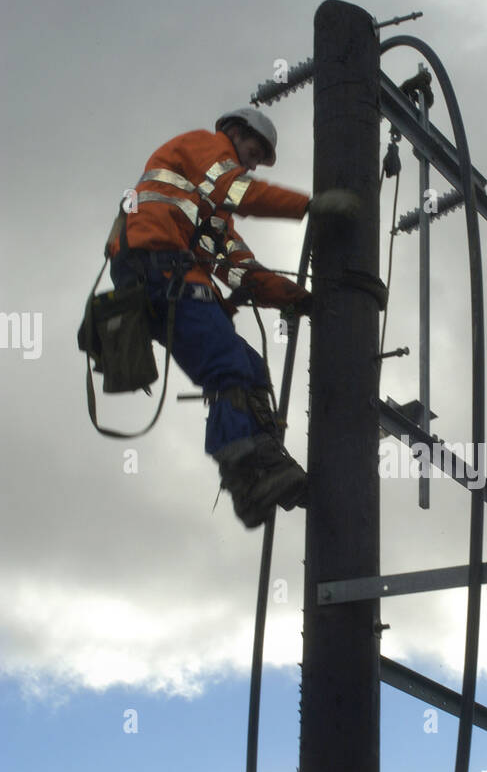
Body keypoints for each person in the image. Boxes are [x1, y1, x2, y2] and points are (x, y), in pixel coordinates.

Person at [106, 106, 356, 527]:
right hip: (159, 271)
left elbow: (242, 271)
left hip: (165, 278)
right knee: (228, 369)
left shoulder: (210, 216)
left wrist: (301, 300)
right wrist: (308, 206)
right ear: (234, 133)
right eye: (253, 151)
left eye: (257, 159)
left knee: (251, 367)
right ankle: (243, 468)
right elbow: (240, 192)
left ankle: (264, 465)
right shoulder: (204, 147)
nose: (252, 163)